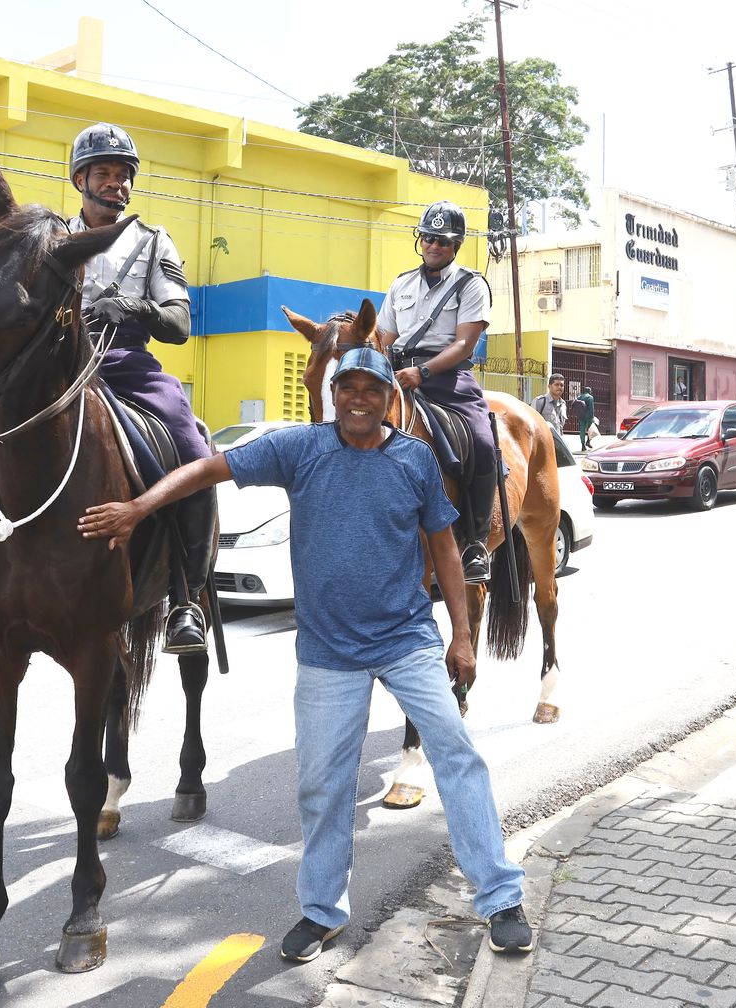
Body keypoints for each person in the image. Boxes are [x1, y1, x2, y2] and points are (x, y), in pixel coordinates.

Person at [77, 346, 532, 962]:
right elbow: (210, 469)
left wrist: (460, 634)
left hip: (406, 642)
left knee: (457, 754)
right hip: (328, 654)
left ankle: (501, 898)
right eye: (348, 388)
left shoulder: (415, 459)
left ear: (387, 398)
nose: (359, 399)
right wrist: (139, 507)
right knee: (322, 785)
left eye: (372, 388)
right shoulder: (299, 449)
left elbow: (446, 550)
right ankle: (322, 912)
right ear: (333, 394)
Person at [0, 122, 214, 655]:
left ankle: (187, 595)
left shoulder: (152, 239)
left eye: (123, 175)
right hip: (51, 371)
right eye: (105, 173)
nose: (116, 184)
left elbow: (179, 323)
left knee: (191, 447)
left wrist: (135, 307)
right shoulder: (50, 238)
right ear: (81, 179)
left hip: (124, 364)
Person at [376, 200, 497, 584]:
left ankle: (475, 543)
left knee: (481, 442)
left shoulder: (471, 284)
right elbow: (383, 337)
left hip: (448, 378)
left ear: (456, 244)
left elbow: (465, 345)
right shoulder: (401, 284)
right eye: (427, 238)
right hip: (398, 374)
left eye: (441, 241)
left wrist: (423, 371)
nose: (433, 245)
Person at [576, 386, 596, 451]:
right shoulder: (590, 397)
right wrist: (592, 417)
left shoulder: (579, 397)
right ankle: (588, 441)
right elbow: (591, 408)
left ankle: (583, 445)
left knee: (582, 431)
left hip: (581, 416)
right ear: (589, 391)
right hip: (588, 416)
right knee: (591, 429)